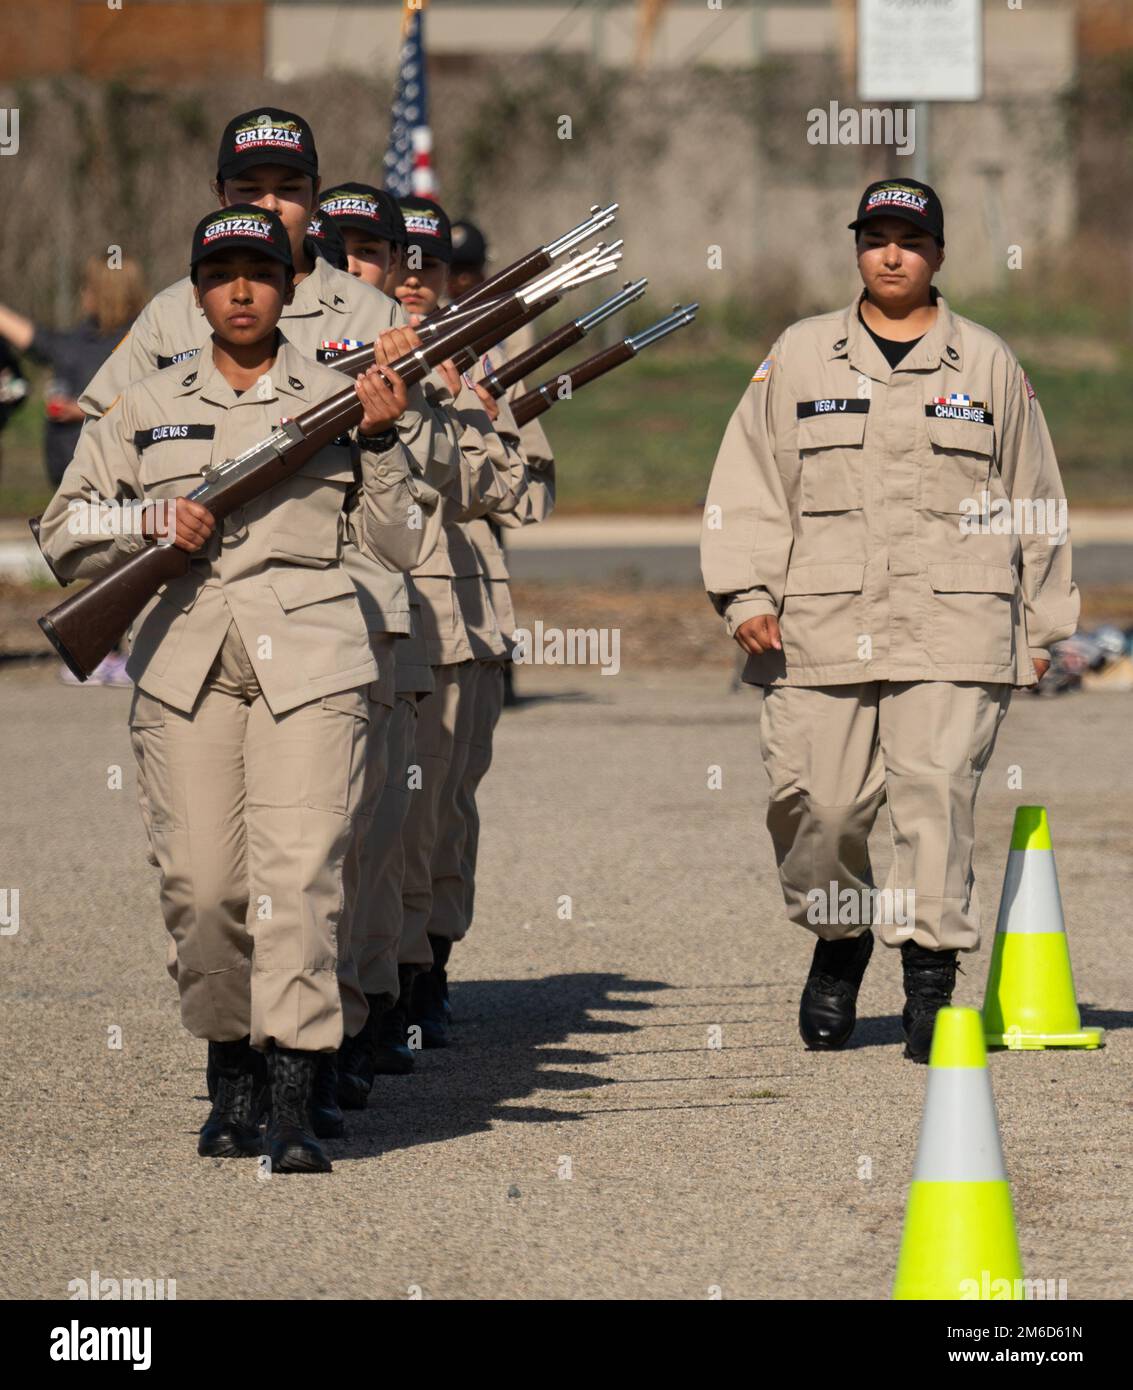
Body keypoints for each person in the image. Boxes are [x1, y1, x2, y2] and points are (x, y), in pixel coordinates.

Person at [39, 206, 431, 1171]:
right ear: (197, 290)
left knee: (299, 882)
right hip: (185, 671)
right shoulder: (144, 401)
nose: (243, 289)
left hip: (314, 668)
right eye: (223, 274)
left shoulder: (345, 396)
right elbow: (60, 531)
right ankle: (232, 1073)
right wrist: (147, 521)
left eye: (262, 270)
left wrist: (381, 444)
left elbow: (398, 548)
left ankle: (296, 1092)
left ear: (293, 284)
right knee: (206, 890)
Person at [700, 178, 1079, 1063]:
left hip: (955, 624)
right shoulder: (799, 355)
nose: (892, 253)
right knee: (817, 808)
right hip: (821, 625)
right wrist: (746, 594)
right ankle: (840, 942)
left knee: (935, 797)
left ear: (939, 254)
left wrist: (1040, 628)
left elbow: (1035, 499)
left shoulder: (987, 365)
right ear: (857, 248)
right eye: (875, 236)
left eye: (910, 238)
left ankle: (929, 979)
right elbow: (747, 483)